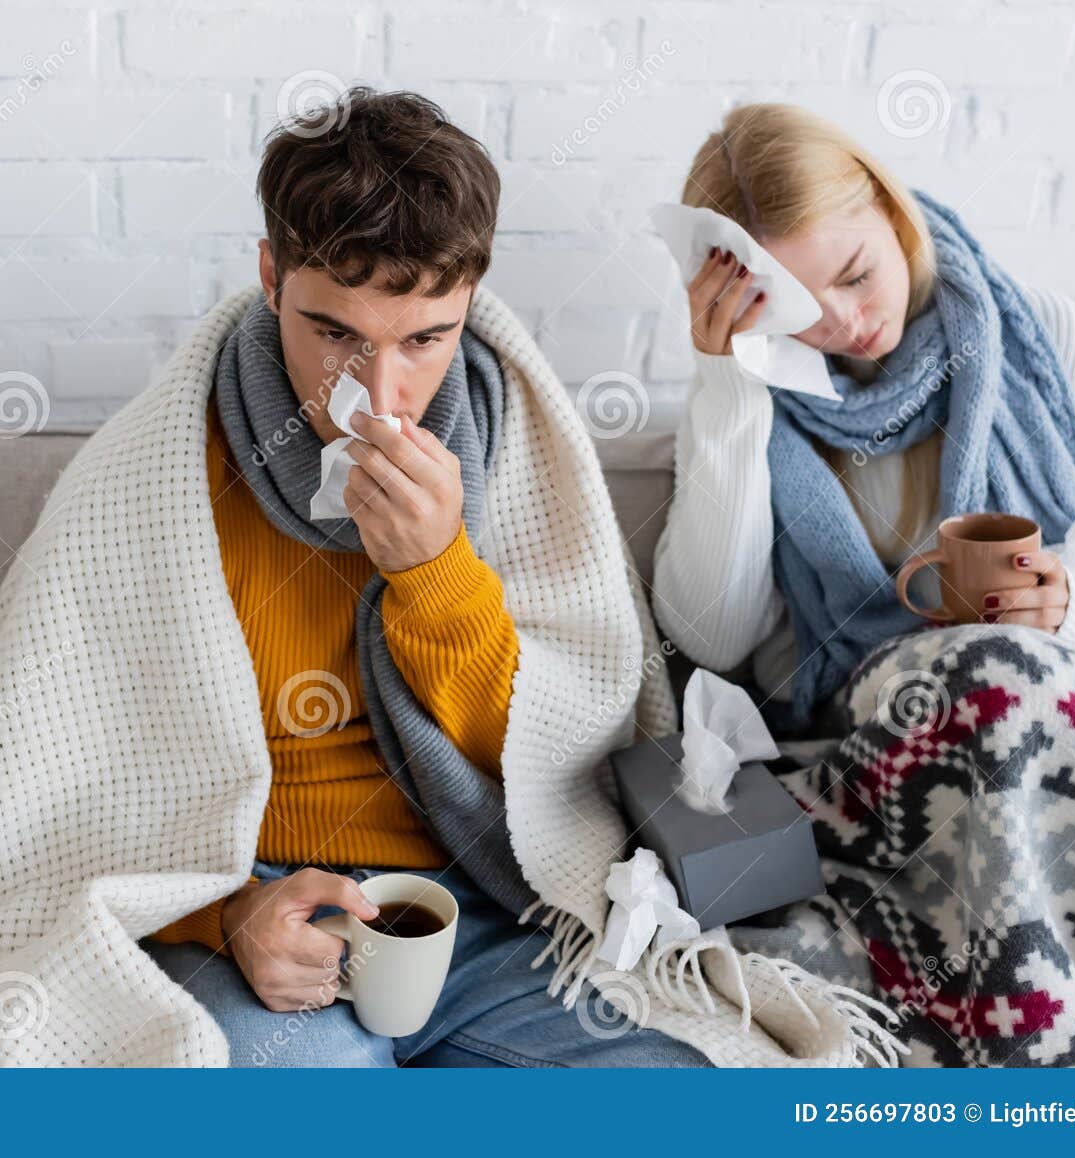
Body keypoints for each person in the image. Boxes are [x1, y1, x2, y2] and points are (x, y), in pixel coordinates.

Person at [651, 103, 1075, 1066]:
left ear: (895, 216)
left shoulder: (1046, 335)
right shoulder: (755, 397)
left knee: (1005, 670)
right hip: (896, 751)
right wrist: (727, 387)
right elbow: (715, 639)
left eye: (856, 274)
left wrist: (1072, 607)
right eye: (805, 310)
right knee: (984, 675)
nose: (849, 324)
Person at [137, 87, 709, 1068]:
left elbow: (553, 765)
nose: (382, 394)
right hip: (266, 903)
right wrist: (225, 916)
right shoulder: (162, 467)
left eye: (423, 338)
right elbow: (77, 798)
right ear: (271, 278)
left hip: (482, 896)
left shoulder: (513, 447)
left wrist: (435, 574)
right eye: (336, 334)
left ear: (471, 307)